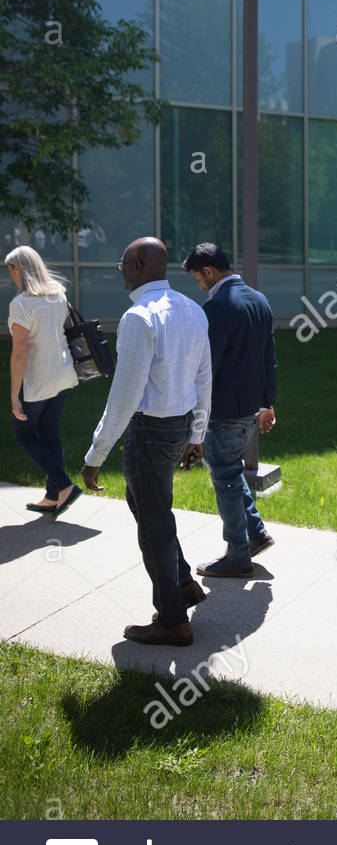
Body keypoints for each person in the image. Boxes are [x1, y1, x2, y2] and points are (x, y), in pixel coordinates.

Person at [81, 237, 211, 647]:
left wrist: (94, 455)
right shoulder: (191, 309)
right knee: (151, 510)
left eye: (123, 263)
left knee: (153, 524)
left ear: (137, 267)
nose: (119, 269)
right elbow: (204, 378)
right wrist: (197, 434)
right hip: (178, 427)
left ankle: (172, 620)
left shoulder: (139, 318)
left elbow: (124, 396)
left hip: (151, 431)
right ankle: (185, 585)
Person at [182, 243, 276, 578]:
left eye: (198, 278)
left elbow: (206, 367)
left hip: (222, 410)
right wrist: (267, 403)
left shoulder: (218, 306)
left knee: (224, 478)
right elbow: (270, 358)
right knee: (231, 473)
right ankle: (256, 533)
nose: (199, 285)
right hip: (250, 407)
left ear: (208, 271)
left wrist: (192, 412)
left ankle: (237, 556)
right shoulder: (259, 300)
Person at [5, 245, 80, 517]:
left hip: (37, 381)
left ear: (19, 269)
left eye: (10, 268)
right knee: (50, 433)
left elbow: (20, 352)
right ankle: (53, 496)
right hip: (62, 375)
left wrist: (15, 395)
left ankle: (64, 486)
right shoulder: (58, 294)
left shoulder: (21, 303)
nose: (10, 274)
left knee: (24, 435)